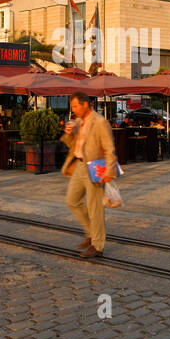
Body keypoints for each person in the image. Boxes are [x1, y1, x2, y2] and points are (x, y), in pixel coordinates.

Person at [61, 91, 116, 258]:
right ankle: (91, 233)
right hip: (78, 165)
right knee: (72, 200)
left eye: (76, 106)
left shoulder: (100, 122)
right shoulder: (78, 122)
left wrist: (109, 170)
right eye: (72, 107)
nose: (74, 110)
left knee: (95, 208)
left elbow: (109, 147)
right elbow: (73, 145)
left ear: (85, 104)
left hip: (94, 166)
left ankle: (97, 245)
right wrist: (69, 134)